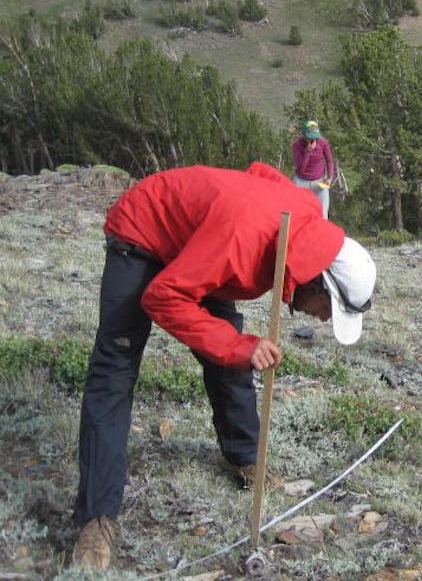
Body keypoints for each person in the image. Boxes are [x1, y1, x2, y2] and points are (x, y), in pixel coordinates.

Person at [72, 162, 376, 570]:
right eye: (329, 310)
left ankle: (247, 459)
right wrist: (235, 344)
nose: (323, 319)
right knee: (115, 368)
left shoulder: (302, 215)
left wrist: (216, 212)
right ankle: (95, 520)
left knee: (234, 353)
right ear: (316, 280)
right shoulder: (238, 244)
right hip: (144, 230)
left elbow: (260, 172)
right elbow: (162, 297)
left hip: (208, 242)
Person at [292, 120, 336, 219]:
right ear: (304, 135)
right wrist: (308, 152)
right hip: (301, 181)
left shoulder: (323, 143)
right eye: (310, 137)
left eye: (315, 137)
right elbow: (301, 168)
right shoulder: (297, 145)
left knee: (323, 213)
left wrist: (330, 177)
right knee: (296, 211)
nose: (313, 139)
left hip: (319, 181)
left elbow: (329, 161)